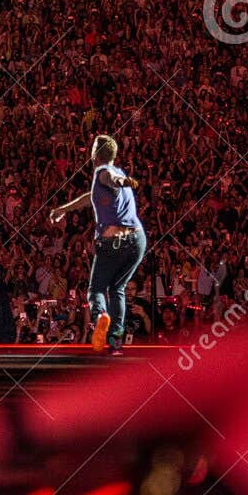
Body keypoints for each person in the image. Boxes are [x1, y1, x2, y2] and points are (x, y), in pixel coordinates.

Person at [50, 134, 145, 355]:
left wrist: (121, 181)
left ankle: (101, 316)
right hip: (137, 240)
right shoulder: (115, 173)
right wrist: (63, 209)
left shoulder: (104, 172)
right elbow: (90, 197)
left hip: (113, 241)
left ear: (95, 153)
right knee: (118, 289)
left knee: (95, 291)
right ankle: (116, 342)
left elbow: (109, 178)